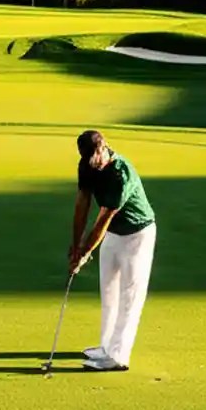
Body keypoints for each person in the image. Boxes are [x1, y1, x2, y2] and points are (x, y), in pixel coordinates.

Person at [69, 130, 158, 372]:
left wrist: (86, 252)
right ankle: (106, 345)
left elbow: (103, 218)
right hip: (113, 235)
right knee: (109, 290)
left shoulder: (121, 173)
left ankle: (118, 356)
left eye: (95, 157)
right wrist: (75, 246)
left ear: (104, 148)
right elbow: (82, 203)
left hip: (137, 235)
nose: (92, 164)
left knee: (130, 295)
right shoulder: (87, 165)